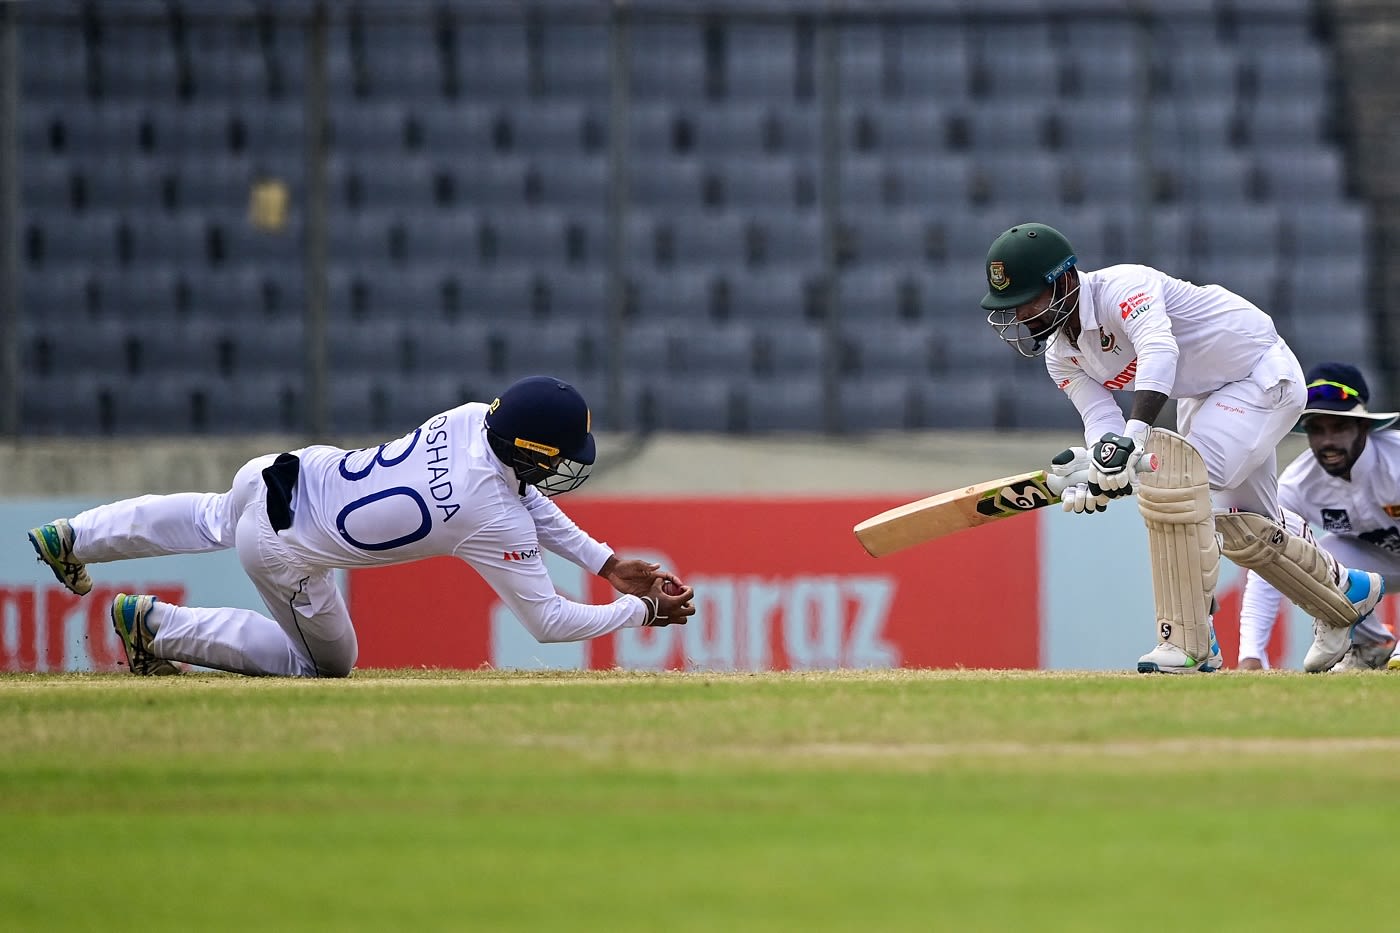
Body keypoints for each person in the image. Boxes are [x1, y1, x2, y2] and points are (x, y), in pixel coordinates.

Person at [25, 375, 695, 677]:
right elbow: (547, 622)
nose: (563, 468)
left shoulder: (472, 419)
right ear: (527, 447)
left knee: (206, 516)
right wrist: (639, 612)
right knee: (327, 664)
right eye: (558, 456)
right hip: (285, 549)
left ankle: (75, 535)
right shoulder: (487, 514)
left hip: (283, 470)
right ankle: (155, 626)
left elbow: (522, 496)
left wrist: (606, 563)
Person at [980, 222, 1385, 674]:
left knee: (1176, 485)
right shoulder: (1061, 356)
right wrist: (1100, 466)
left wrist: (1130, 445)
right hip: (1204, 395)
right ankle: (1345, 592)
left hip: (1259, 372)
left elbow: (1159, 353)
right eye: (1012, 306)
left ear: (1064, 279)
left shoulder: (1124, 288)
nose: (1021, 316)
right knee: (1245, 526)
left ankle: (1189, 642)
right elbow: (1100, 420)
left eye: (1028, 300)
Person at [1238, 362, 1400, 672]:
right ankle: (1370, 645)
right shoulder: (1297, 484)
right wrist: (1251, 653)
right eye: (1317, 429)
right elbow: (1268, 563)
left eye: (1339, 427)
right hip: (1381, 566)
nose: (1327, 442)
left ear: (1363, 427)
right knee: (1308, 558)